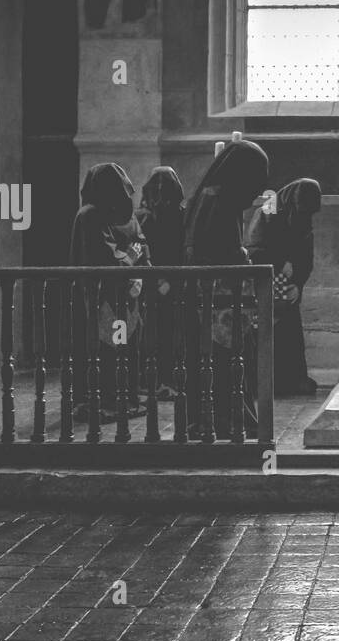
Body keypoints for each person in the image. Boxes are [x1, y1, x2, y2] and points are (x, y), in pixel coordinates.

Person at [181, 141, 270, 439]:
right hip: (219, 297)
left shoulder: (210, 194)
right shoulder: (221, 199)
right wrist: (244, 258)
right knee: (225, 362)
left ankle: (214, 418)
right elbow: (224, 250)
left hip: (210, 295)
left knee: (216, 362)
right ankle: (227, 420)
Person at [69, 162, 151, 423]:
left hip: (126, 298)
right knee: (103, 351)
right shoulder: (89, 215)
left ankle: (123, 399)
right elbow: (106, 256)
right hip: (99, 297)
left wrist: (139, 274)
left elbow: (141, 246)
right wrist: (132, 265)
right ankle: (101, 401)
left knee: (124, 349)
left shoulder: (126, 217)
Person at [244, 178, 322, 397]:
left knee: (289, 338)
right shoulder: (268, 210)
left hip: (288, 289)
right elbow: (254, 248)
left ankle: (290, 380)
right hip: (267, 284)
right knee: (267, 335)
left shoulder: (302, 216)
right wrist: (281, 262)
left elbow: (307, 254)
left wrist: (297, 283)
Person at [134, 167, 186, 400]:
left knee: (156, 332)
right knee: (164, 332)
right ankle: (162, 380)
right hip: (162, 282)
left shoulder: (142, 216)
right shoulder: (181, 215)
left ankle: (155, 380)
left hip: (154, 282)